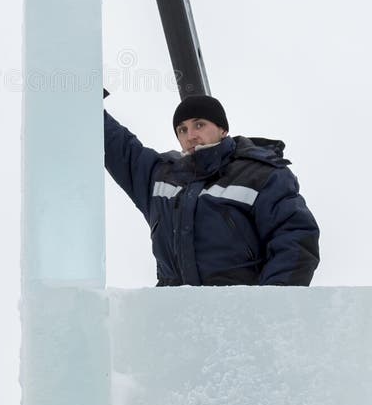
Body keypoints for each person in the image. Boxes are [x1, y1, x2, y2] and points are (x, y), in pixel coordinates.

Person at [104, 94, 320, 286]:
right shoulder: (161, 177)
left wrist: (268, 306)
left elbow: (296, 238)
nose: (190, 136)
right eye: (182, 129)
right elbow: (119, 147)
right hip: (172, 314)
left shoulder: (261, 175)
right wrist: (89, 100)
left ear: (222, 129)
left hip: (239, 313)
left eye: (199, 125)